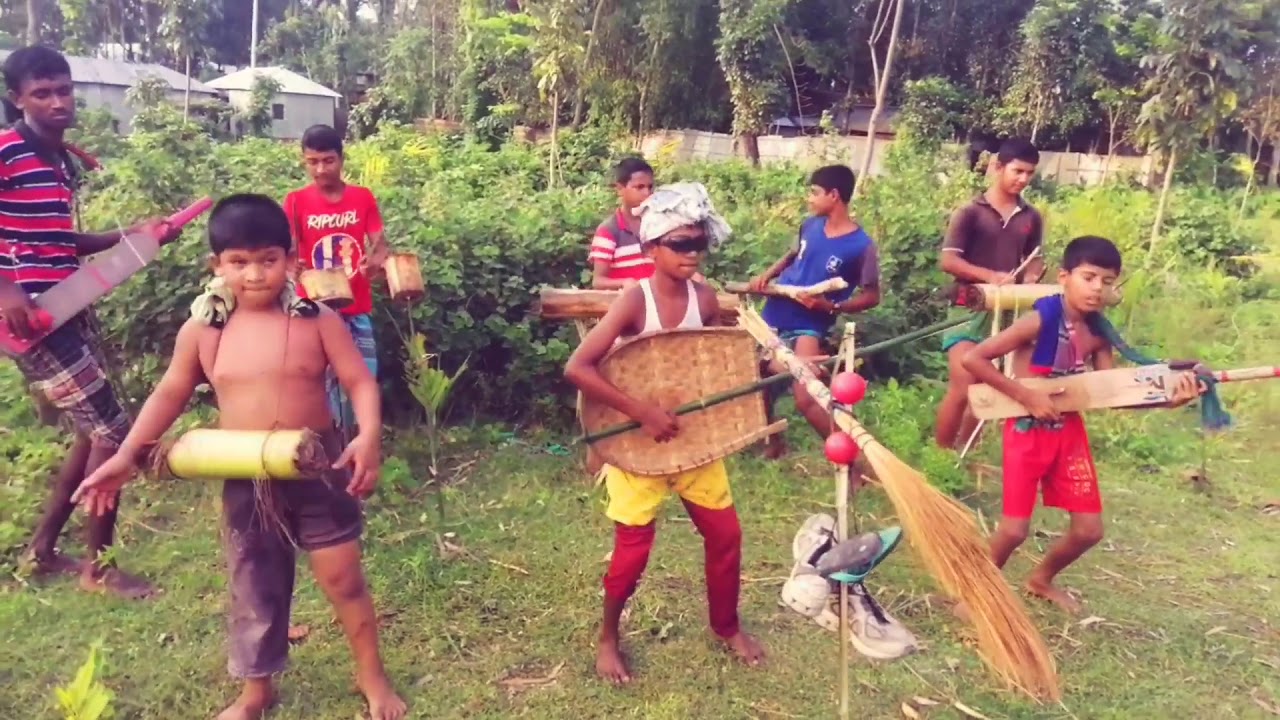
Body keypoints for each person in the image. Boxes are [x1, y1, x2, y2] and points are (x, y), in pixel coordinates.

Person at [72, 194, 407, 720]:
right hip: (243, 473)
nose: (255, 274)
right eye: (239, 262)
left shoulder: (316, 320)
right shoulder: (204, 330)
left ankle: (371, 675)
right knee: (255, 584)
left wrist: (368, 437)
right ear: (217, 265)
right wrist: (127, 454)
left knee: (343, 577)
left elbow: (359, 381)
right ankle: (257, 690)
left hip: (318, 466)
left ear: (290, 260)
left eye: (268, 260)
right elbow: (169, 393)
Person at [565, 183, 765, 685]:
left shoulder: (705, 299)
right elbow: (578, 367)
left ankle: (725, 626)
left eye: (699, 243)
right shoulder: (635, 301)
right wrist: (641, 412)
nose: (692, 253)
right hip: (638, 448)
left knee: (726, 537)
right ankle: (608, 637)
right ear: (652, 248)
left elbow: (714, 365)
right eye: (680, 244)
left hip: (695, 442)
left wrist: (768, 367)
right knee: (632, 553)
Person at [0, 45, 179, 599]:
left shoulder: (58, 159)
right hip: (30, 318)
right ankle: (98, 569)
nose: (58, 102)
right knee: (114, 432)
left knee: (90, 428)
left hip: (64, 303)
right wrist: (6, 289)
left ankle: (42, 550)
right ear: (17, 99)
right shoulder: (7, 150)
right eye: (42, 93)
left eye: (63, 89)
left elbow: (59, 240)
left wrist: (133, 237)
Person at [961, 236, 1204, 614]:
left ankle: (1041, 580)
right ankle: (975, 594)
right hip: (1026, 432)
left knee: (1089, 531)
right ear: (1064, 277)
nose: (1097, 289)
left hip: (1069, 433)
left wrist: (1169, 400)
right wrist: (1027, 397)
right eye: (1088, 277)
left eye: (1107, 282)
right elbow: (974, 359)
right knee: (1013, 530)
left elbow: (1113, 394)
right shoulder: (1038, 320)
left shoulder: (1097, 334)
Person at [748, 164, 881, 456]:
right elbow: (792, 254)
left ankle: (851, 454)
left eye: (814, 192)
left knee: (807, 395)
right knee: (758, 380)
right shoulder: (810, 225)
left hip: (809, 325)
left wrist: (831, 306)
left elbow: (872, 296)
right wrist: (766, 276)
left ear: (834, 195)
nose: (809, 198)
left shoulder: (861, 246)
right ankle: (772, 442)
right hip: (774, 313)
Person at [935, 138, 1046, 450]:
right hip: (967, 307)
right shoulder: (970, 212)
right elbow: (949, 261)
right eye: (1017, 171)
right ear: (998, 167)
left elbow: (1035, 257)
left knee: (987, 388)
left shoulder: (1031, 216)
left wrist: (1032, 275)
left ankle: (964, 455)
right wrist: (990, 277)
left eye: (1029, 173)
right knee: (964, 383)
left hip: (1005, 312)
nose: (1023, 179)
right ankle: (939, 456)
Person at [284, 124, 389, 437]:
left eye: (328, 160)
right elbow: (287, 252)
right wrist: (292, 266)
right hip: (313, 310)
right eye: (312, 162)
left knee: (363, 377)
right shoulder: (295, 201)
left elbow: (380, 244)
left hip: (356, 307)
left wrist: (376, 260)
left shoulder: (362, 198)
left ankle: (359, 442)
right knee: (319, 382)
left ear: (341, 159)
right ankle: (326, 445)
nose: (320, 169)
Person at [588, 157, 656, 290]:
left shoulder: (659, 225)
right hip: (626, 301)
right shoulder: (608, 230)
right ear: (620, 189)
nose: (647, 193)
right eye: (639, 187)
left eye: (650, 187)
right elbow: (598, 281)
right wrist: (625, 282)